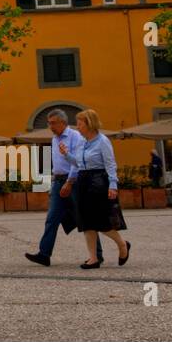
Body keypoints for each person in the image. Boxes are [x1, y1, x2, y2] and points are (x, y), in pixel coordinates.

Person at [26, 109, 101, 267]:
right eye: (49, 123)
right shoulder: (54, 139)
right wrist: (55, 181)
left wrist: (70, 181)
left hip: (73, 182)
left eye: (53, 123)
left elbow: (77, 161)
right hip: (58, 181)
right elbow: (59, 163)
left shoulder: (75, 136)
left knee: (84, 219)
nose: (50, 126)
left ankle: (98, 254)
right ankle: (44, 254)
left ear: (63, 123)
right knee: (52, 218)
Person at [70, 109, 130, 269]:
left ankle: (122, 244)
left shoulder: (102, 141)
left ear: (89, 124)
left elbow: (110, 164)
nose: (78, 127)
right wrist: (66, 155)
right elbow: (78, 163)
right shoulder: (82, 142)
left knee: (102, 221)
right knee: (86, 222)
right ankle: (93, 258)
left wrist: (113, 185)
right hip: (83, 181)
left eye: (80, 124)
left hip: (98, 182)